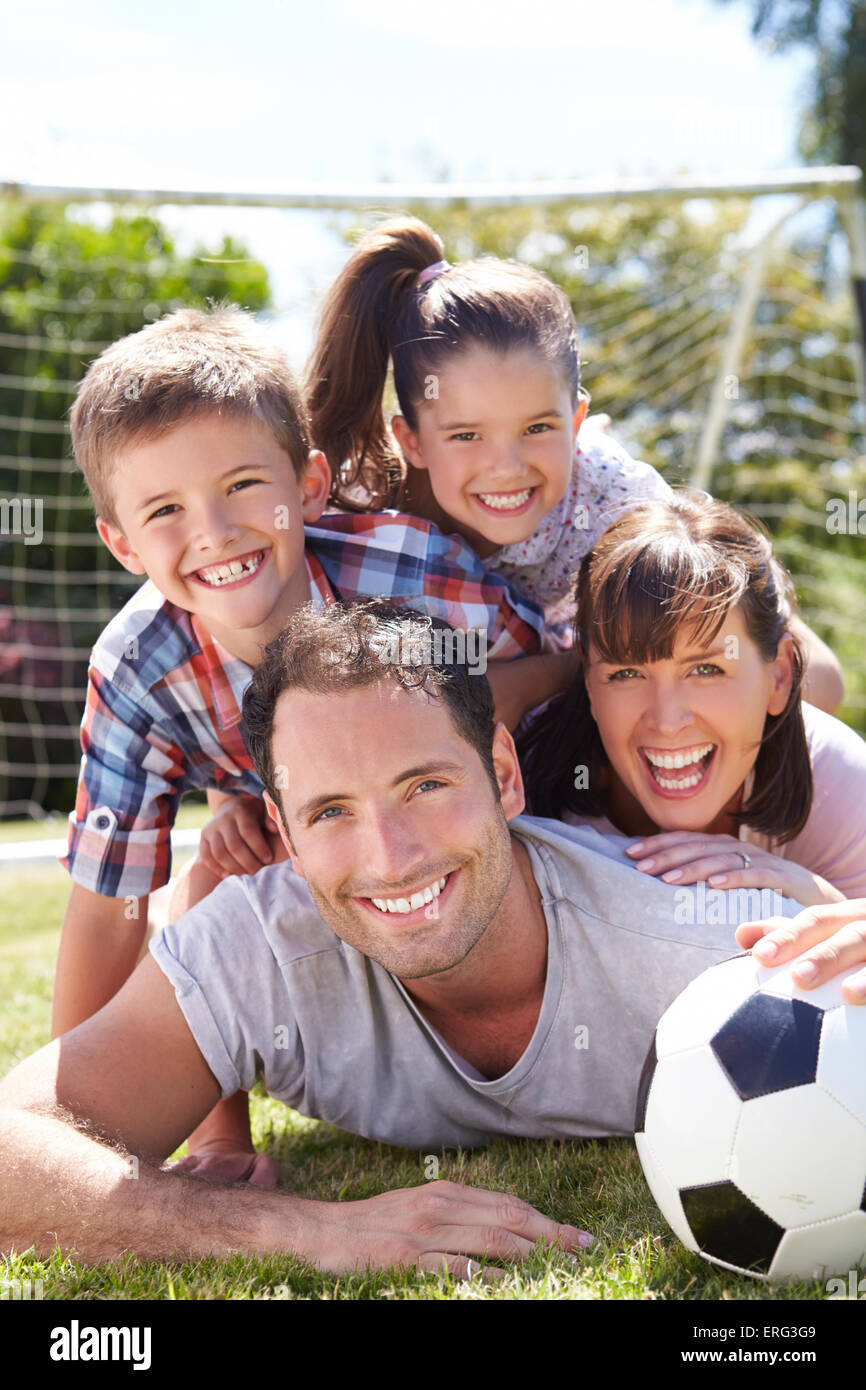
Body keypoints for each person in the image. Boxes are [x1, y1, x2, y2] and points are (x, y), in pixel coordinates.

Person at [4, 603, 863, 1277]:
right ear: (284, 832)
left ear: (502, 774)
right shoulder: (260, 945)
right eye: (330, 811)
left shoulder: (706, 955)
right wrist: (310, 1233)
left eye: (424, 785)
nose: (390, 857)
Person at [55, 304, 568, 1184]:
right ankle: (220, 1139)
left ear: (311, 486)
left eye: (243, 485)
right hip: (315, 847)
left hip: (477, 824)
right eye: (166, 509)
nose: (213, 531)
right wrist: (67, 1133)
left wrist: (452, 727)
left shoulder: (407, 572)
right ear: (121, 543)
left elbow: (555, 679)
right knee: (210, 878)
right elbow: (108, 910)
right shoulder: (137, 672)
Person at [305, 215, 843, 709]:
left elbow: (819, 684)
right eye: (467, 434)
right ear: (413, 440)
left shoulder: (619, 508)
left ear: (578, 417)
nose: (507, 467)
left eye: (538, 428)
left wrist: (568, 671)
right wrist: (236, 792)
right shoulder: (367, 507)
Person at [518, 495, 866, 903]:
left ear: (779, 677)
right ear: (589, 684)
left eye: (706, 670)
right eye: (626, 673)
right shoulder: (529, 783)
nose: (667, 722)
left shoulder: (833, 777)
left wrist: (815, 898)